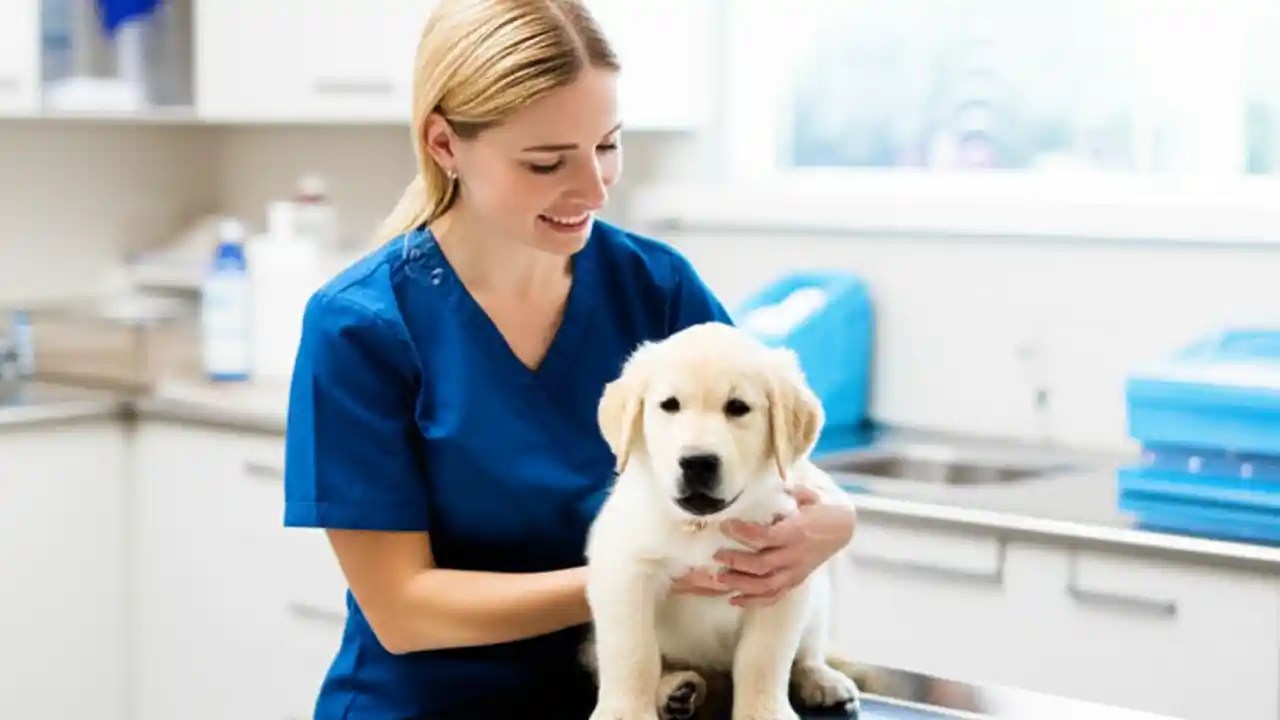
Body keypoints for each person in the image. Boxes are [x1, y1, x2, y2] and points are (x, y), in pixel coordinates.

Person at [282, 1, 858, 718]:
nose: (593, 188)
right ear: (444, 144)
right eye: (547, 162)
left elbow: (766, 449)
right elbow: (405, 611)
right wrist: (638, 575)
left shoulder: (655, 287)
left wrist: (833, 517)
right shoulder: (362, 326)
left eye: (607, 146)